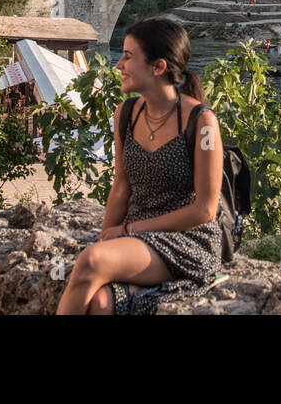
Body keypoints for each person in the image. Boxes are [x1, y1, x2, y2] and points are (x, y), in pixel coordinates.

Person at [57, 17, 224, 315]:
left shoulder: (202, 122)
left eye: (128, 56)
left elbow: (205, 210)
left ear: (158, 67)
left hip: (186, 241)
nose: (118, 65)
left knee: (91, 263)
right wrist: (106, 237)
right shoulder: (126, 114)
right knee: (101, 303)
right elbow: (121, 187)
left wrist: (127, 230)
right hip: (136, 238)